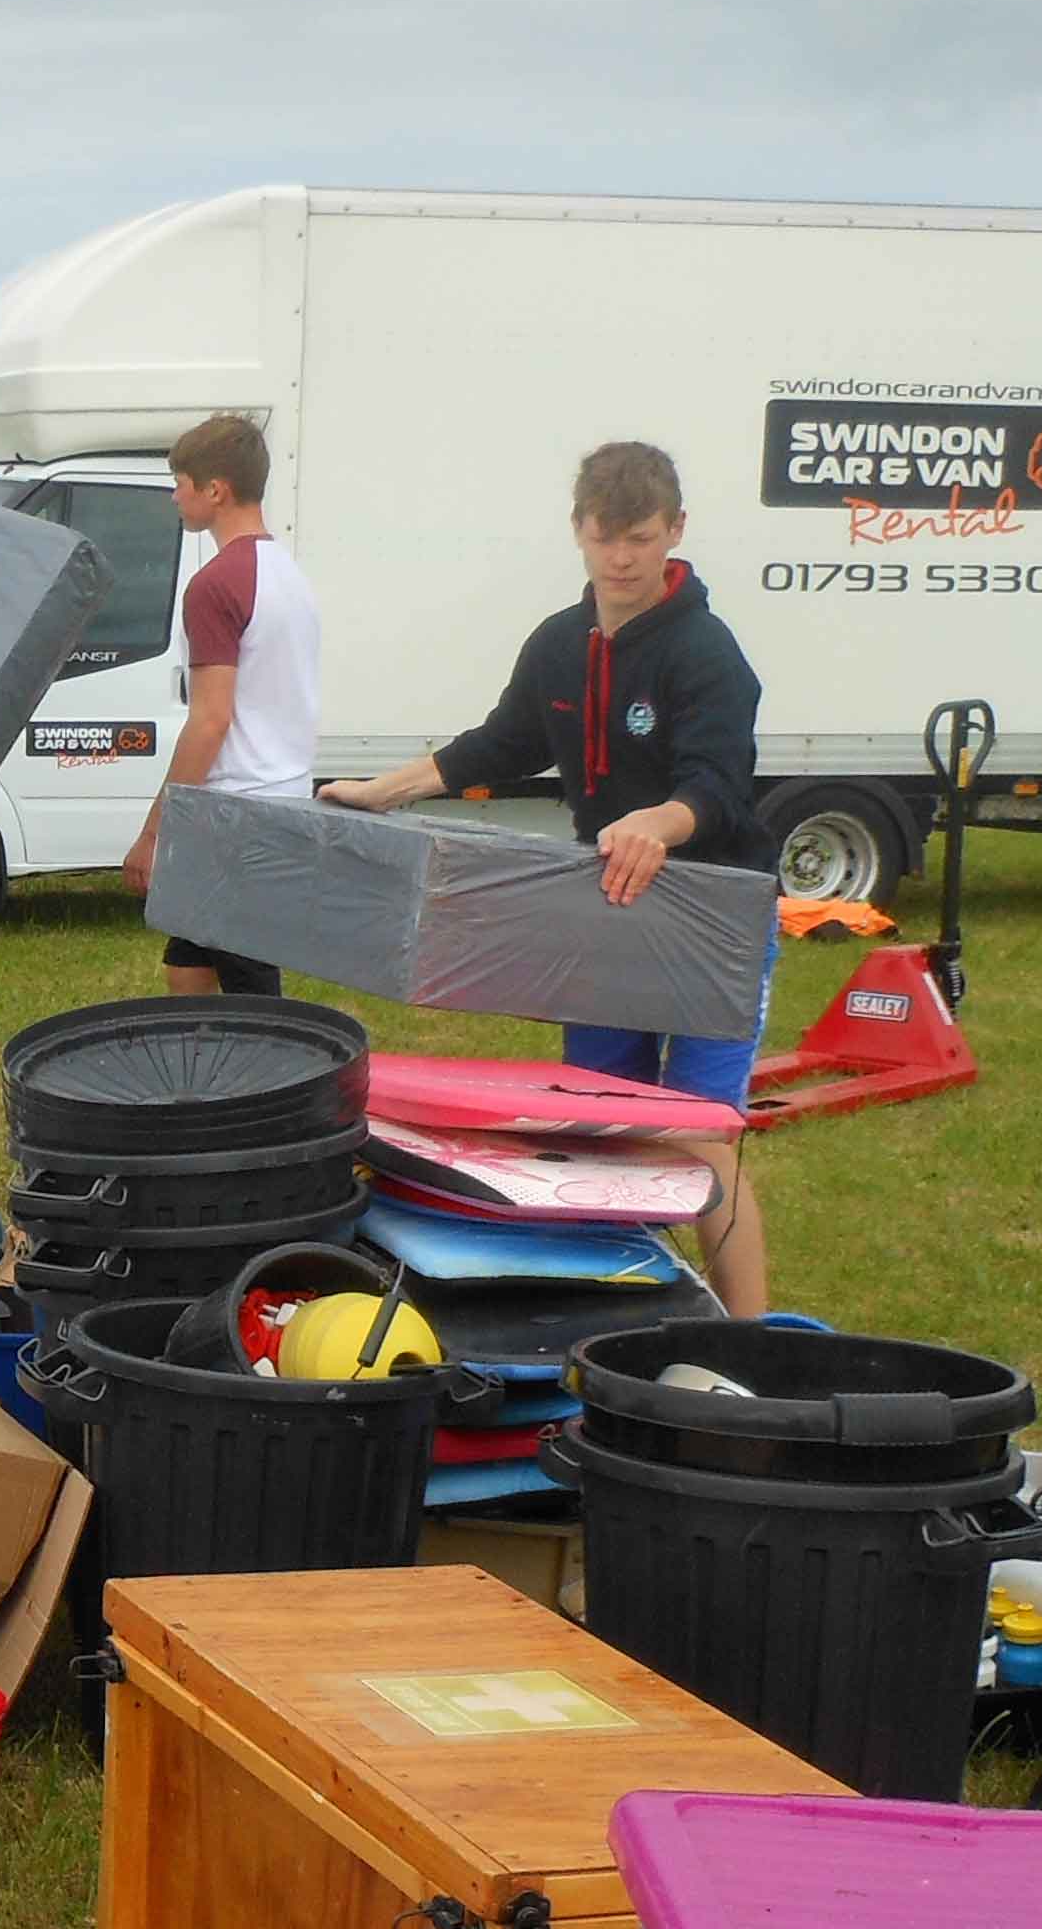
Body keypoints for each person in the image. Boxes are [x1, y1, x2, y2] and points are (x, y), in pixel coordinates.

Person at [321, 438, 774, 1308]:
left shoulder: (709, 654)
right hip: (607, 907)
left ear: (676, 530)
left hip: (716, 915)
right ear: (578, 531)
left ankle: (742, 1343)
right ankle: (622, 1312)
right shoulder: (560, 644)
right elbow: (503, 742)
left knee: (703, 1142)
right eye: (607, 536)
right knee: (601, 1128)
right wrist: (390, 789)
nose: (623, 557)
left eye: (642, 537)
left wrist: (658, 822)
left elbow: (718, 784)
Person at [124, 411, 321, 997]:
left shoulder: (215, 585)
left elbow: (211, 719)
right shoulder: (288, 573)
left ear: (215, 489)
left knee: (252, 988)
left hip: (236, 809)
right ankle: (200, 1077)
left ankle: (282, 1086)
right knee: (188, 963)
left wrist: (154, 831)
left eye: (180, 480)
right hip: (281, 794)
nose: (174, 494)